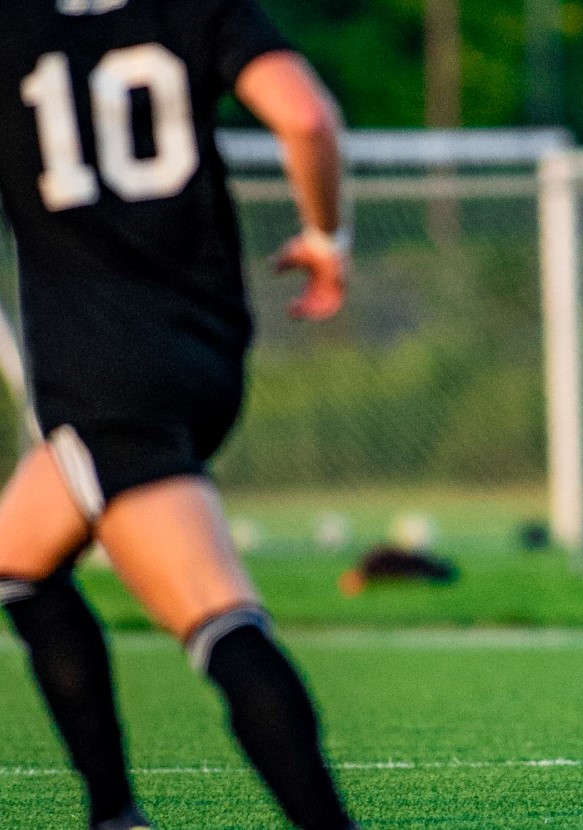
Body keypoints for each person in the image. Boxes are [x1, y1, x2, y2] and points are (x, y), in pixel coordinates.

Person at [0, 1, 356, 828]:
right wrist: (324, 239)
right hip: (205, 347)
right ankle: (113, 813)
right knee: (17, 561)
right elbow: (303, 117)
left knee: (216, 614)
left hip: (101, 370)